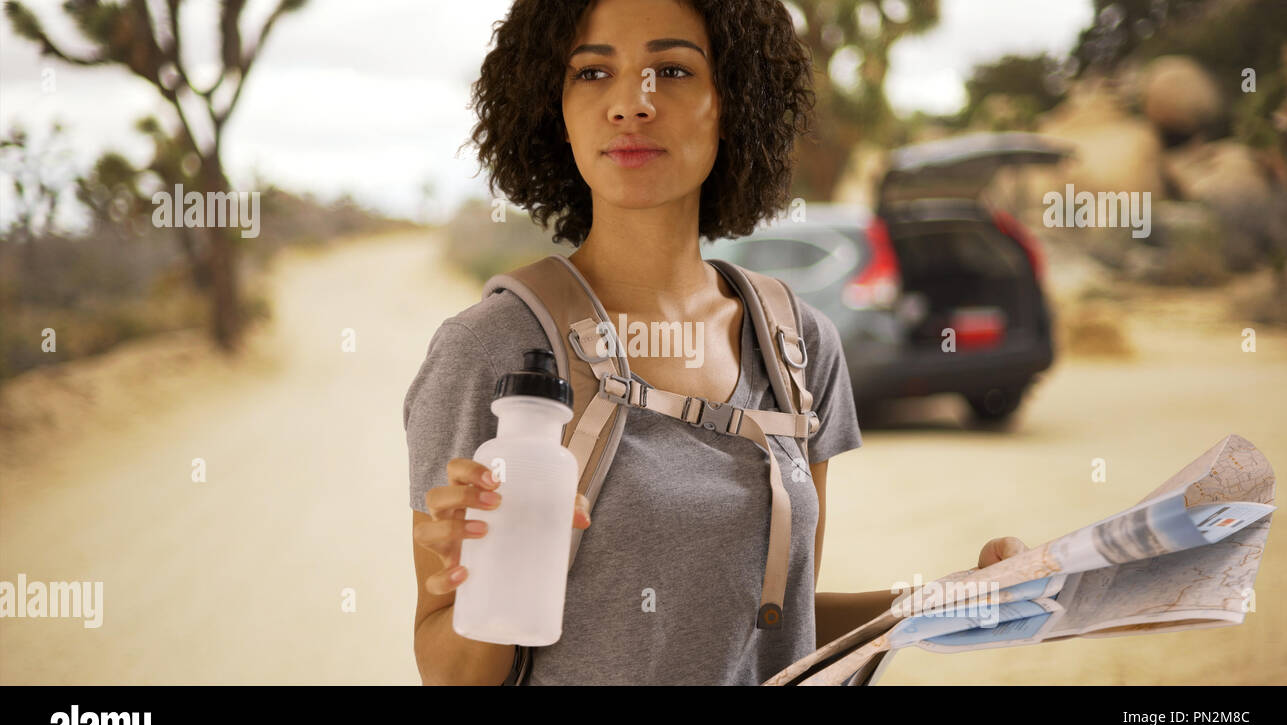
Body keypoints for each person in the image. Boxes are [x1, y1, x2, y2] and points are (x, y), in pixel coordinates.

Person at [405, 0, 1026, 685]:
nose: (629, 104)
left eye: (670, 69)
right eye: (591, 72)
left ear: (732, 101)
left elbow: (781, 629)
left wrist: (957, 600)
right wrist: (493, 576)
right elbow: (451, 672)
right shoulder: (489, 348)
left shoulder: (797, 345)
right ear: (554, 107)